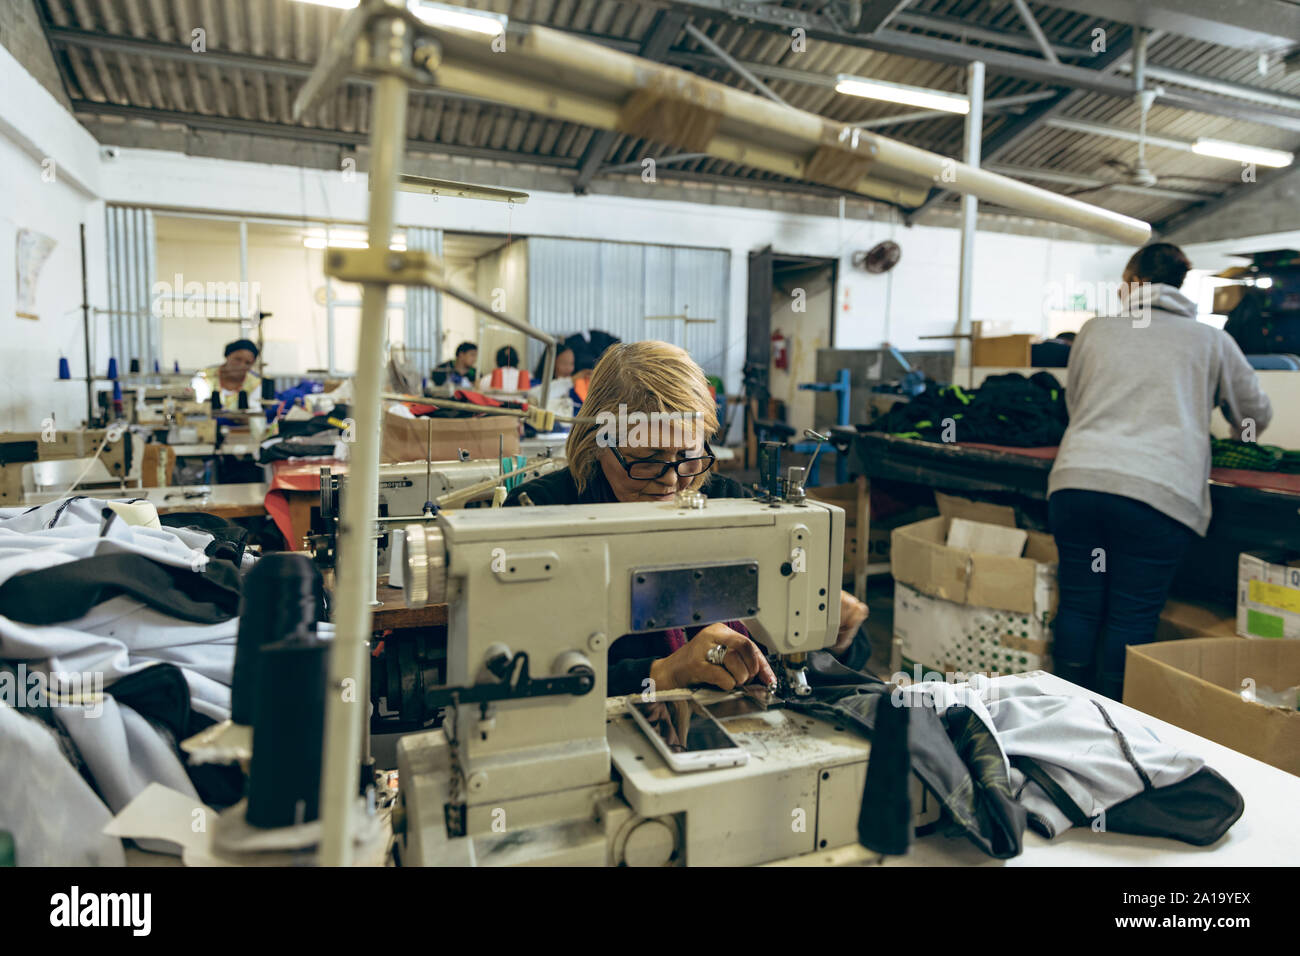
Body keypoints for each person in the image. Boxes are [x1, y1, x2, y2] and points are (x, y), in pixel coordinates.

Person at [505, 340, 870, 697]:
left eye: (688, 455)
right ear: (597, 442)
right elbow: (523, 676)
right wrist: (665, 672)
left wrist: (838, 640)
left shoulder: (733, 503)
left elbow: (809, 649)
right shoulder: (540, 513)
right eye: (647, 458)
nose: (671, 479)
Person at [1047, 242, 1272, 699]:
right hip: (1155, 495)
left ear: (1132, 283)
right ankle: (1111, 729)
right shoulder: (1211, 339)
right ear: (1181, 285)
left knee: (1079, 604)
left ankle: (1057, 717)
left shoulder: (1094, 331)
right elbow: (1255, 414)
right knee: (1130, 615)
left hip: (1077, 483)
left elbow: (1076, 404)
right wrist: (1233, 439)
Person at [193, 339, 262, 411]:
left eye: (247, 363)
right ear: (227, 355)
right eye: (237, 359)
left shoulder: (256, 384)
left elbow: (255, 414)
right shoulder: (204, 377)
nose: (241, 365)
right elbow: (198, 408)